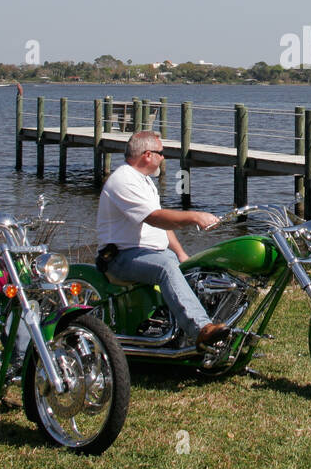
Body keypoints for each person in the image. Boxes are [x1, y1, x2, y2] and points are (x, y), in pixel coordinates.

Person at [96, 131, 230, 349]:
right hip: (119, 257)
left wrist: (182, 255)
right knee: (166, 267)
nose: (163, 158)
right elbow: (156, 218)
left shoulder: (145, 182)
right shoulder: (123, 179)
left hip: (150, 255)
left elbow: (162, 226)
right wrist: (194, 216)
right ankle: (200, 328)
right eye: (161, 154)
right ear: (147, 155)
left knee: (198, 267)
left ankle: (205, 329)